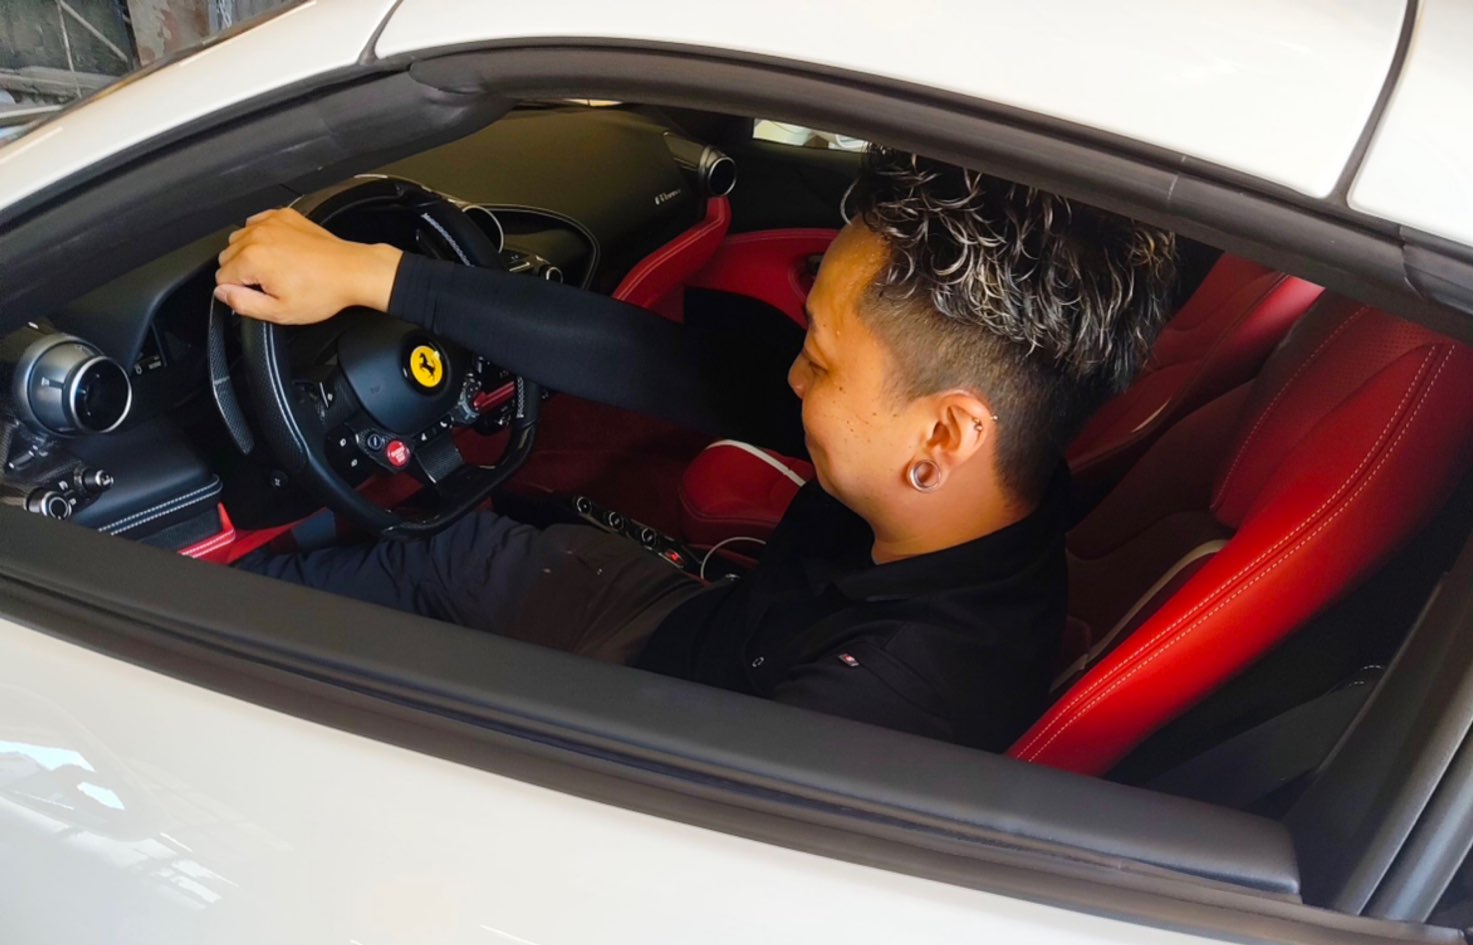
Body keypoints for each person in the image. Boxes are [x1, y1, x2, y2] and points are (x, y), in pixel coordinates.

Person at [217, 148, 1176, 751]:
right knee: (436, 553)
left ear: (943, 434)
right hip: (697, 632)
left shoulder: (881, 708)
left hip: (647, 715)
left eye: (819, 358)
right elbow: (672, 367)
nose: (792, 375)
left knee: (252, 646)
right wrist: (380, 276)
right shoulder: (979, 486)